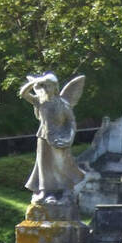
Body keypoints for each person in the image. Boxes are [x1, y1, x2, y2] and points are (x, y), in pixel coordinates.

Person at [19, 73, 86, 204]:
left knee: (61, 164)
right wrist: (34, 83)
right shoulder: (40, 101)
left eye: (49, 86)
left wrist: (69, 138)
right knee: (44, 165)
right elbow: (23, 94)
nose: (46, 89)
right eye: (44, 86)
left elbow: (71, 122)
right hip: (43, 137)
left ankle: (66, 191)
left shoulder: (62, 104)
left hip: (60, 139)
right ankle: (45, 191)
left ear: (55, 88)